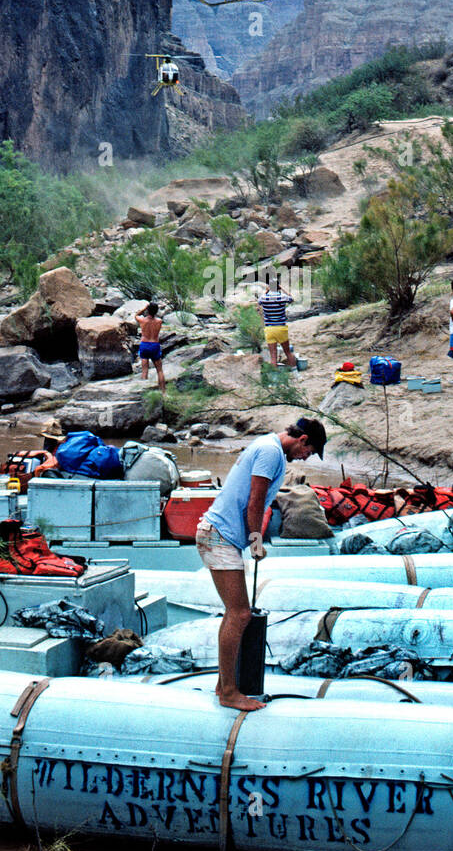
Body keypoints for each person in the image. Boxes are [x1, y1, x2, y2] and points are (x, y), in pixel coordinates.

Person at [195, 418, 326, 711]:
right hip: (217, 536)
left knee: (237, 613)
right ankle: (228, 692)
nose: (306, 458)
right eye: (310, 451)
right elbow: (255, 502)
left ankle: (223, 684)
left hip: (221, 536)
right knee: (240, 614)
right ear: (302, 439)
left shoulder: (269, 446)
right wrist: (255, 542)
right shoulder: (270, 452)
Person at [257, 273, 297, 369]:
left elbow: (259, 301)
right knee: (288, 353)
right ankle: (296, 375)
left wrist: (266, 291)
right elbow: (291, 298)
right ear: (278, 286)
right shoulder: (282, 297)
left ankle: (274, 378)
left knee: (273, 357)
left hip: (269, 329)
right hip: (281, 328)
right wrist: (282, 289)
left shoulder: (264, 298)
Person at [135, 302, 166, 392]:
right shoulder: (159, 321)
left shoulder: (142, 321)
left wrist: (144, 308)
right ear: (156, 311)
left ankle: (144, 392)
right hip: (155, 345)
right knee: (159, 370)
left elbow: (136, 315)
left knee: (144, 371)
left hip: (144, 344)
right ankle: (163, 392)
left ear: (148, 310)